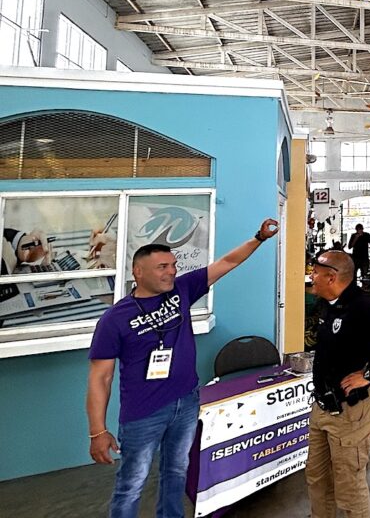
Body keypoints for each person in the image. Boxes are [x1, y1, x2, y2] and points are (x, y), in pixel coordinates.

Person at [87, 218, 279, 518]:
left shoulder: (182, 291)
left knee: (175, 474)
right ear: (138, 272)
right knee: (132, 484)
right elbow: (101, 377)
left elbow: (227, 262)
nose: (172, 271)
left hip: (187, 403)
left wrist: (260, 237)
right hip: (142, 414)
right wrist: (97, 431)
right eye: (163, 266)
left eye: (173, 265)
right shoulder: (114, 319)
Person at [306, 250, 370, 518]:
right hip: (323, 404)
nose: (311, 276)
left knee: (348, 485)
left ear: (331, 277)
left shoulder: (362, 306)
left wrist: (369, 374)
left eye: (315, 272)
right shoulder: (328, 302)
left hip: (351, 410)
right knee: (317, 478)